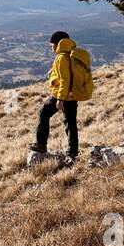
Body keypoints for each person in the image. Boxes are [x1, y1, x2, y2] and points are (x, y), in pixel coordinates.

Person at [29, 31, 93, 165]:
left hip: (63, 96)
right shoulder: (71, 54)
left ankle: (41, 145)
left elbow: (65, 80)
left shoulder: (62, 57)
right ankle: (72, 153)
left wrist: (60, 99)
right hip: (73, 95)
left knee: (43, 113)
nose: (51, 47)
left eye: (52, 44)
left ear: (57, 43)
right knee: (70, 124)